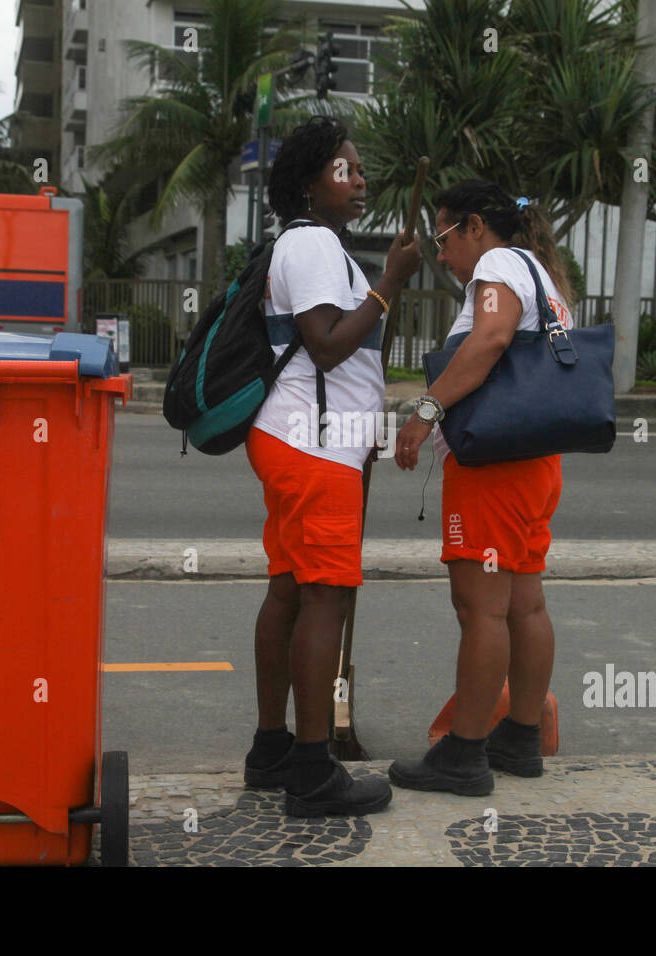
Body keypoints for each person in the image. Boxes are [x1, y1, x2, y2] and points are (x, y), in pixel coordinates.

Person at [241, 115, 423, 817]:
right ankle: (312, 773)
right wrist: (390, 281)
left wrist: (361, 422)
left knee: (289, 590)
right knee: (324, 596)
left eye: (361, 169)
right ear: (311, 182)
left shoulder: (309, 244)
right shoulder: (314, 242)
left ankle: (271, 749)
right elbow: (323, 345)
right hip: (312, 447)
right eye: (345, 169)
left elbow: (346, 350)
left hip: (306, 439)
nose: (360, 180)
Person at [387, 180, 577, 795]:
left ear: (474, 226)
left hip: (494, 471)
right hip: (534, 465)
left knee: (480, 609)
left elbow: (491, 339)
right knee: (525, 603)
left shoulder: (497, 263)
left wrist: (424, 412)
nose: (441, 256)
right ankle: (519, 738)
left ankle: (463, 752)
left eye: (444, 239)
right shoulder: (541, 273)